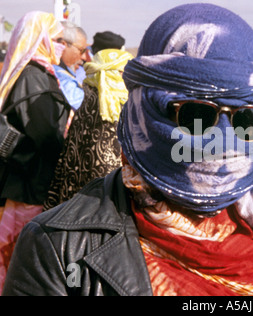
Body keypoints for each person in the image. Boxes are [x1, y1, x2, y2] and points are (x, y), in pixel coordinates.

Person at [3, 3, 253, 296]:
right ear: (143, 110)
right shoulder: (58, 246)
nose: (221, 140)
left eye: (250, 119)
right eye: (195, 114)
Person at [0, 11, 71, 294]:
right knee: (16, 252)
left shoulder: (37, 73)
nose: (62, 46)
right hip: (28, 185)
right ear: (40, 40)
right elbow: (47, 137)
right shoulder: (34, 76)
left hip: (24, 181)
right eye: (57, 40)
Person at [44, 49, 134, 211]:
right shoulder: (115, 105)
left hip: (71, 198)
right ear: (114, 74)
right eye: (125, 73)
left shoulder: (88, 97)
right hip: (102, 200)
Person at [53, 21, 88, 112]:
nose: (83, 57)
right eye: (81, 50)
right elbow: (83, 106)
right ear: (63, 45)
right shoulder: (58, 75)